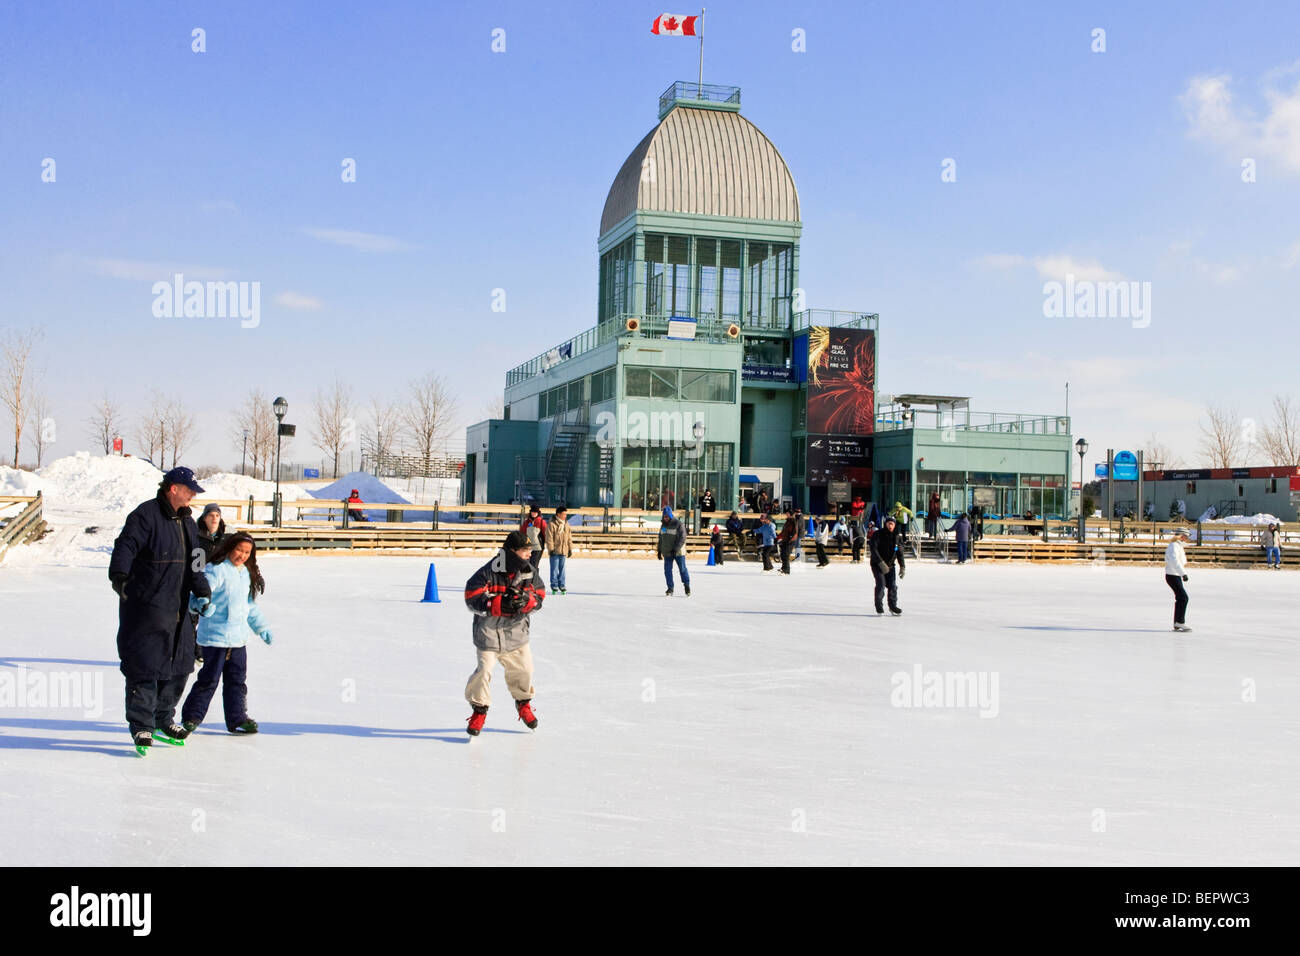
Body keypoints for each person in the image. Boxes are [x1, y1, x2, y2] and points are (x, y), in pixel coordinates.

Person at [109, 466, 213, 754]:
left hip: (179, 608)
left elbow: (196, 562)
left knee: (180, 665)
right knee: (145, 664)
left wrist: (203, 589)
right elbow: (125, 546)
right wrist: (120, 576)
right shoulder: (145, 515)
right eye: (189, 490)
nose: (193, 495)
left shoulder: (190, 524)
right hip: (147, 604)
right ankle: (142, 723)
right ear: (173, 488)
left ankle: (163, 717)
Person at [180, 533, 272, 735]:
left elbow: (249, 605)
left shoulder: (246, 573)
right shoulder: (216, 570)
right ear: (230, 548)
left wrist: (261, 627)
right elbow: (200, 594)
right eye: (239, 550)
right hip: (215, 637)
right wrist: (202, 604)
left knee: (237, 680)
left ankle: (237, 719)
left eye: (247, 552)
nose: (242, 555)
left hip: (238, 639)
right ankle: (191, 717)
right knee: (209, 680)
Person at [463, 530, 545, 735]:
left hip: (516, 634)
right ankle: (479, 710)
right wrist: (497, 603)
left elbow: (540, 595)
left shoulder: (530, 572)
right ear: (512, 551)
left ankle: (523, 703)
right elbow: (471, 595)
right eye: (525, 550)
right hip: (488, 633)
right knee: (484, 671)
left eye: (529, 550)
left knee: (525, 670)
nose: (529, 554)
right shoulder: (489, 571)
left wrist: (526, 601)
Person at [870, 515, 907, 615]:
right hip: (877, 565)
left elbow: (900, 553)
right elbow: (873, 550)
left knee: (893, 586)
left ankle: (893, 606)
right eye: (889, 523)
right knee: (881, 585)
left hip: (890, 565)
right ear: (885, 524)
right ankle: (879, 607)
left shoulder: (897, 537)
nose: (890, 526)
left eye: (892, 524)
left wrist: (902, 566)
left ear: (895, 525)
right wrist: (881, 563)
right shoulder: (878, 534)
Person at [657, 506, 690, 596]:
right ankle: (670, 588)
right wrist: (659, 550)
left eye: (667, 516)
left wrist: (675, 549)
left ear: (671, 516)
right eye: (664, 517)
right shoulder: (663, 525)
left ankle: (687, 585)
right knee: (667, 570)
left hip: (678, 552)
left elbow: (682, 537)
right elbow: (661, 538)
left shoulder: (678, 524)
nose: (666, 518)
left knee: (682, 569)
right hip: (667, 552)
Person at [1165, 529, 1192, 632]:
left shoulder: (1178, 546)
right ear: (1181, 536)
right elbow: (1174, 560)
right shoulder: (1174, 546)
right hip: (1173, 575)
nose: (1187, 539)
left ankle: (1177, 623)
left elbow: (1180, 561)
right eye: (1186, 536)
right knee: (1183, 598)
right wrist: (1183, 573)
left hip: (1175, 574)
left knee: (1181, 598)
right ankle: (1179, 622)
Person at [545, 506, 572, 593]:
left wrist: (570, 548)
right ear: (558, 514)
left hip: (564, 549)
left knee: (562, 569)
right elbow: (549, 538)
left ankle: (562, 584)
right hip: (555, 550)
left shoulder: (566, 524)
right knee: (554, 569)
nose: (565, 516)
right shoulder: (552, 524)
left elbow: (569, 537)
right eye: (564, 514)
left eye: (566, 514)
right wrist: (551, 549)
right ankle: (554, 585)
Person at [520, 505, 547, 573]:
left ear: (538, 513)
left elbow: (546, 533)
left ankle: (534, 580)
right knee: (527, 564)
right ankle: (529, 579)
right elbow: (522, 532)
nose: (533, 513)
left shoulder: (541, 522)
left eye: (535, 512)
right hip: (528, 546)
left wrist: (548, 543)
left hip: (538, 547)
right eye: (532, 512)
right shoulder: (527, 522)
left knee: (534, 564)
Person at [777, 510, 798, 574]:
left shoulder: (793, 521)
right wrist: (778, 537)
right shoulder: (787, 521)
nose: (786, 514)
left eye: (787, 513)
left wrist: (791, 538)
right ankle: (783, 568)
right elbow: (784, 531)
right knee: (783, 554)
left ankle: (786, 570)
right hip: (785, 540)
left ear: (790, 514)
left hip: (790, 541)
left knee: (786, 555)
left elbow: (794, 531)